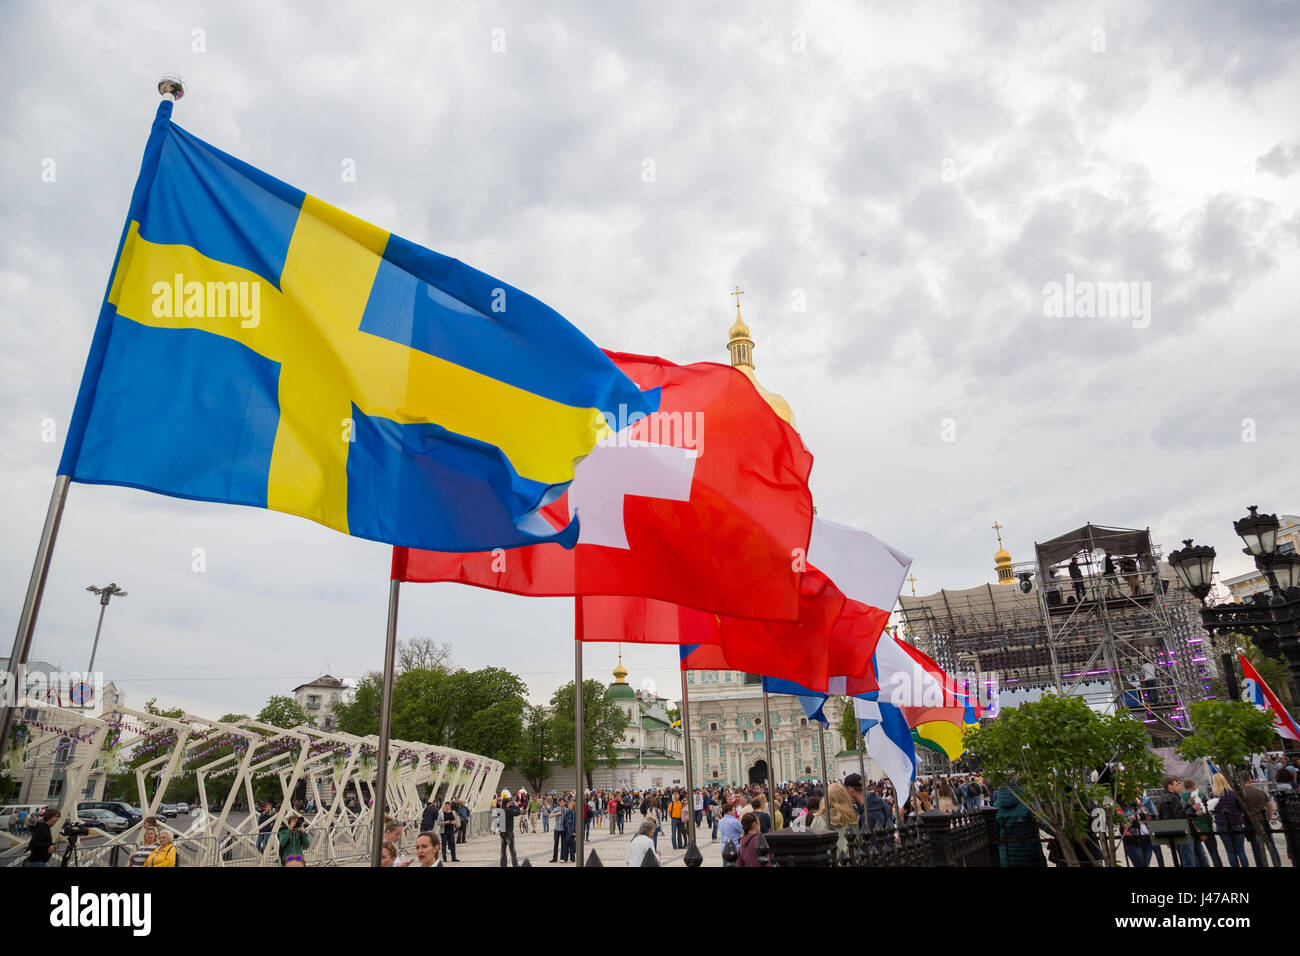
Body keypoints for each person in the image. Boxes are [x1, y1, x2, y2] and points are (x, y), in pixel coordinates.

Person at [994, 785, 1045, 866]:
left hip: (1007, 858)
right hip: (1030, 856)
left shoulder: (996, 806)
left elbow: (995, 834)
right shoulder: (1028, 802)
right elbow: (1043, 823)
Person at [1154, 776, 1196, 867]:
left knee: (1186, 858)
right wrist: (1192, 809)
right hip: (1181, 831)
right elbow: (1179, 815)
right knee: (1188, 860)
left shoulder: (1164, 797)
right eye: (1177, 785)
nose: (1180, 787)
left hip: (1174, 832)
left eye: (1180, 784)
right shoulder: (1172, 798)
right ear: (1170, 786)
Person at [1210, 773, 1249, 868]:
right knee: (1241, 850)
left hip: (1222, 824)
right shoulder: (1233, 793)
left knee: (1230, 851)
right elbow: (1240, 808)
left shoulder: (1213, 795)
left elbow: (1213, 810)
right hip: (1236, 822)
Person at [498, 795, 521, 867]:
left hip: (502, 833)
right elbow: (517, 813)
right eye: (509, 803)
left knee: (503, 850)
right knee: (512, 851)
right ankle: (515, 865)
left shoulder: (500, 810)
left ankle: (503, 865)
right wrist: (517, 806)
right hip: (508, 832)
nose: (510, 804)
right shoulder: (507, 810)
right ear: (506, 803)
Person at [550, 798, 566, 862]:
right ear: (559, 803)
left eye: (563, 802)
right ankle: (554, 858)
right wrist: (556, 814)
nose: (562, 803)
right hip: (557, 829)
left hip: (563, 829)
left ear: (564, 803)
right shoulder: (556, 809)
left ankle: (562, 858)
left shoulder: (566, 810)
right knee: (556, 844)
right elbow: (550, 816)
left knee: (563, 844)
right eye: (560, 802)